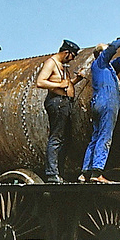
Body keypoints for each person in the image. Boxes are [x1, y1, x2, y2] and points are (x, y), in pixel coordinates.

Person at [80, 36, 120, 182]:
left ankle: (85, 173)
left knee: (95, 137)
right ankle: (97, 173)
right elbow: (111, 50)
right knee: (105, 136)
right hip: (107, 101)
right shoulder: (99, 63)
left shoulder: (107, 68)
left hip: (98, 102)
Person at [35, 39, 83, 183]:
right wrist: (59, 84)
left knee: (65, 139)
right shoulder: (51, 63)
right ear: (66, 52)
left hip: (65, 103)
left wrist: (75, 80)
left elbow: (65, 85)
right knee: (56, 138)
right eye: (72, 55)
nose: (73, 59)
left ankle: (58, 171)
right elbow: (40, 82)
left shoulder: (62, 65)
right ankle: (52, 173)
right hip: (57, 102)